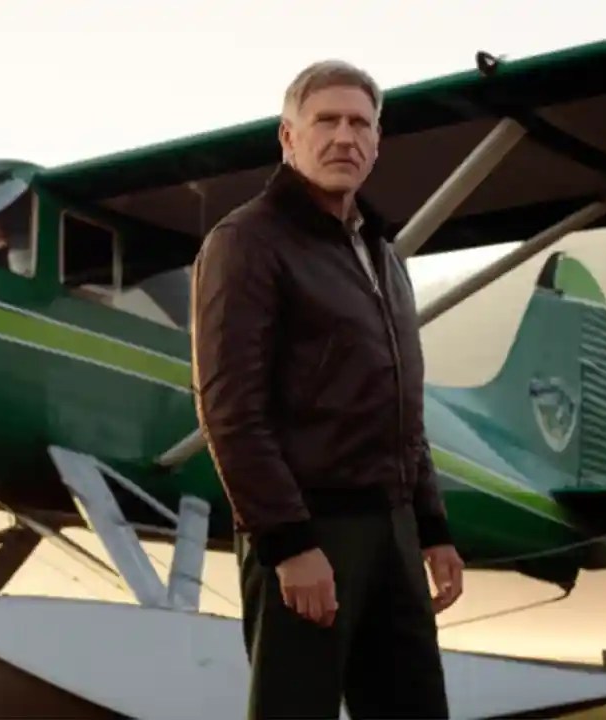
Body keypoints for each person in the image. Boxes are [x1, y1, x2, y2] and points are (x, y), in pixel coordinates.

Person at [190, 60, 465, 719]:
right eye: (326, 120)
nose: (345, 137)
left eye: (360, 124)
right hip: (311, 532)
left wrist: (432, 527)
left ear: (376, 143)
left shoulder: (384, 255)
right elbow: (230, 411)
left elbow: (401, 408)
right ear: (288, 137)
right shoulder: (246, 241)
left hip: (394, 533)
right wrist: (288, 545)